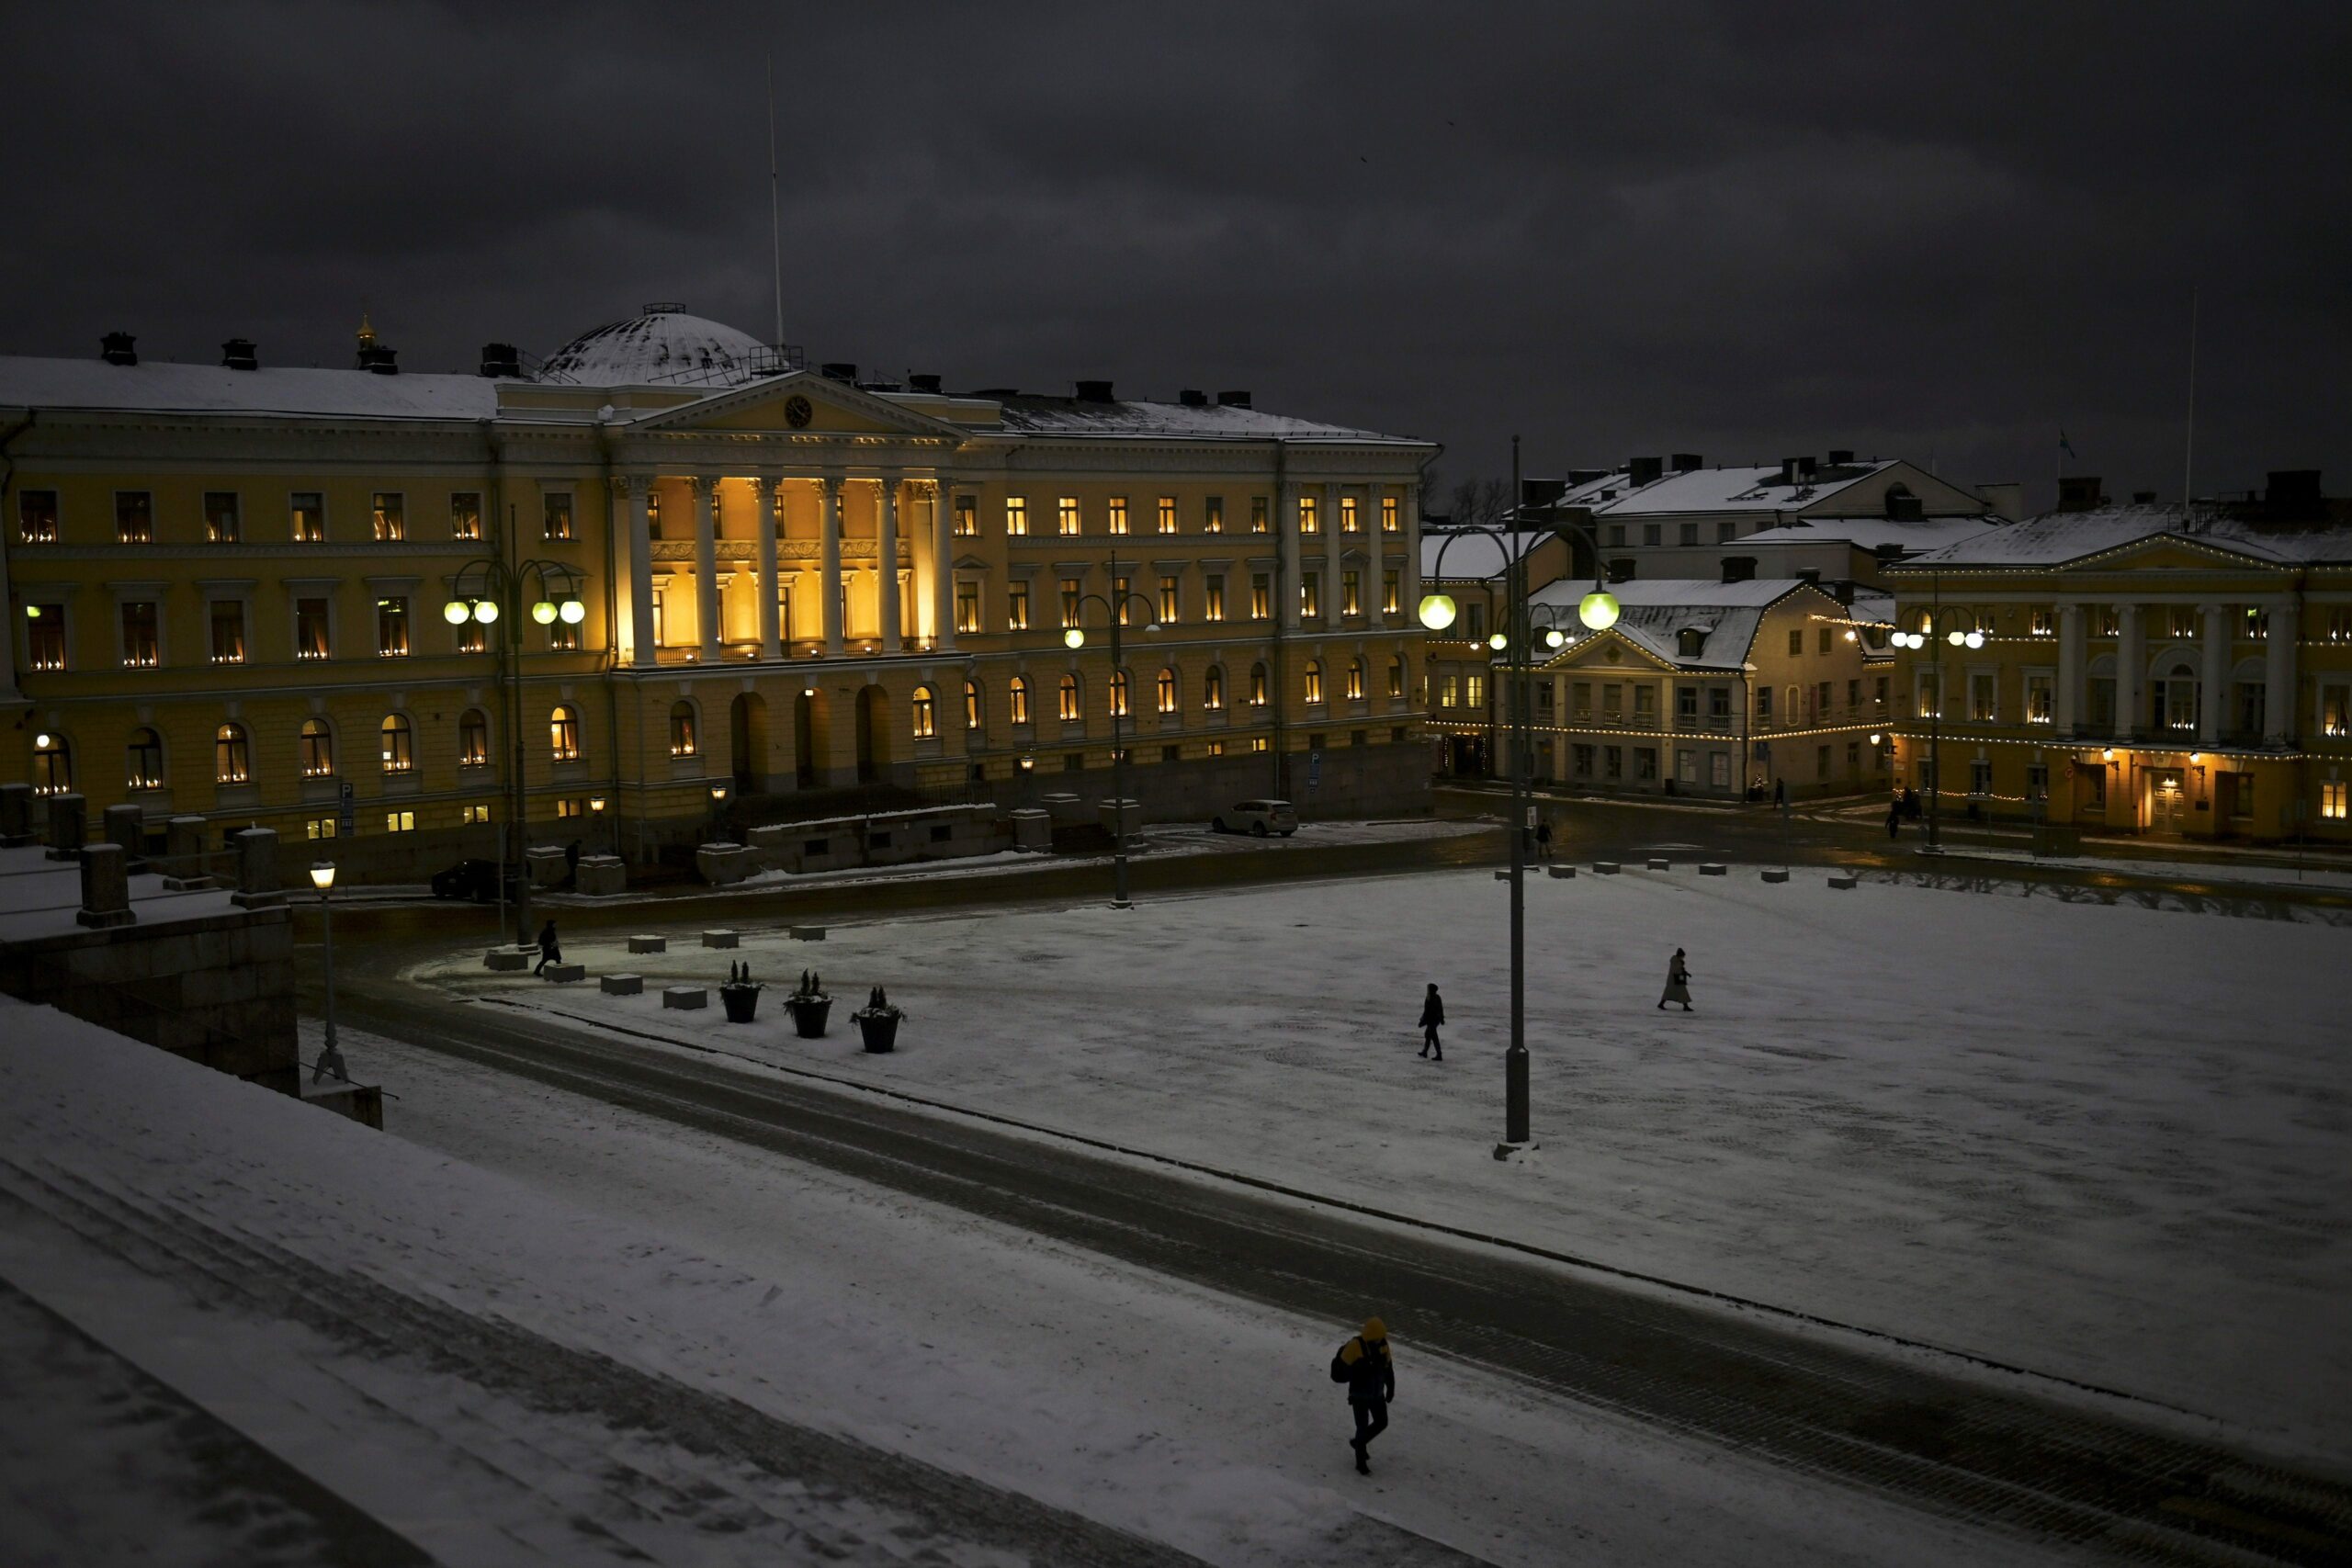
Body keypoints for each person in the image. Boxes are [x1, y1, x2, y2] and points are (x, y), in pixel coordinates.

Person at [1329, 1317, 1395, 1474]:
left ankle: (1359, 1443)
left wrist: (1390, 1387)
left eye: (1382, 1336)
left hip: (1377, 1394)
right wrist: (1360, 1370)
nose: (1380, 1339)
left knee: (1382, 1422)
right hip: (1360, 1395)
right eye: (1378, 1336)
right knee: (1362, 1426)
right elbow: (1342, 1372)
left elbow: (1388, 1368)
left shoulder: (1384, 1345)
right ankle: (1360, 1462)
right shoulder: (1355, 1346)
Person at [1657, 947, 1692, 1011]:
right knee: (1680, 992)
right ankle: (1685, 1006)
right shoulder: (1676, 961)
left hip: (1676, 979)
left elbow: (1679, 970)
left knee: (1677, 992)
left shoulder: (1677, 961)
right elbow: (1677, 971)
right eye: (1683, 956)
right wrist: (1684, 972)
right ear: (1680, 955)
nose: (1683, 957)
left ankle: (1685, 1006)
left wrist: (1685, 973)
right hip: (1675, 980)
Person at [1418, 983, 1444, 1060]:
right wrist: (1442, 1019)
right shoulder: (1436, 997)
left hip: (1432, 1020)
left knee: (1433, 1036)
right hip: (1434, 1020)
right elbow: (1440, 1009)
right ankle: (1425, 1051)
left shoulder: (1430, 998)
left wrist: (1423, 1021)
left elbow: (1428, 1011)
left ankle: (1438, 1054)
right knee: (1428, 1035)